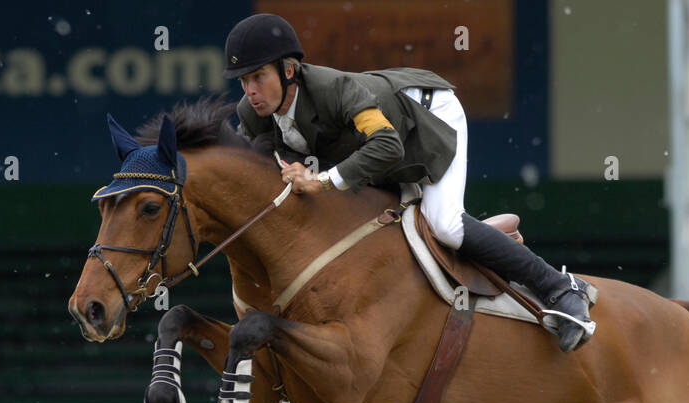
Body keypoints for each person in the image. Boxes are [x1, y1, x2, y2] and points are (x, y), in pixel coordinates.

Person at [223, 12, 595, 352]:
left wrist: (321, 182)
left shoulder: (333, 90)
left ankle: (560, 288)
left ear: (289, 70)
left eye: (259, 77)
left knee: (445, 226)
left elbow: (387, 145)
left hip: (428, 117)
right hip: (379, 147)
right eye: (244, 81)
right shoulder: (253, 114)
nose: (250, 91)